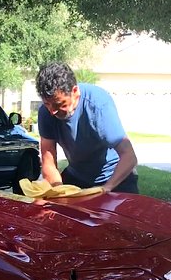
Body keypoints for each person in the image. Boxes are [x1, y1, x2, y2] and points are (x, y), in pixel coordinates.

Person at [36, 61, 139, 194]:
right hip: (77, 177)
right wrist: (59, 191)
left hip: (115, 178)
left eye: (59, 104)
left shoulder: (98, 105)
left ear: (75, 91)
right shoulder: (46, 113)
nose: (52, 111)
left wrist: (106, 188)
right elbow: (48, 160)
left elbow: (129, 157)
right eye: (47, 104)